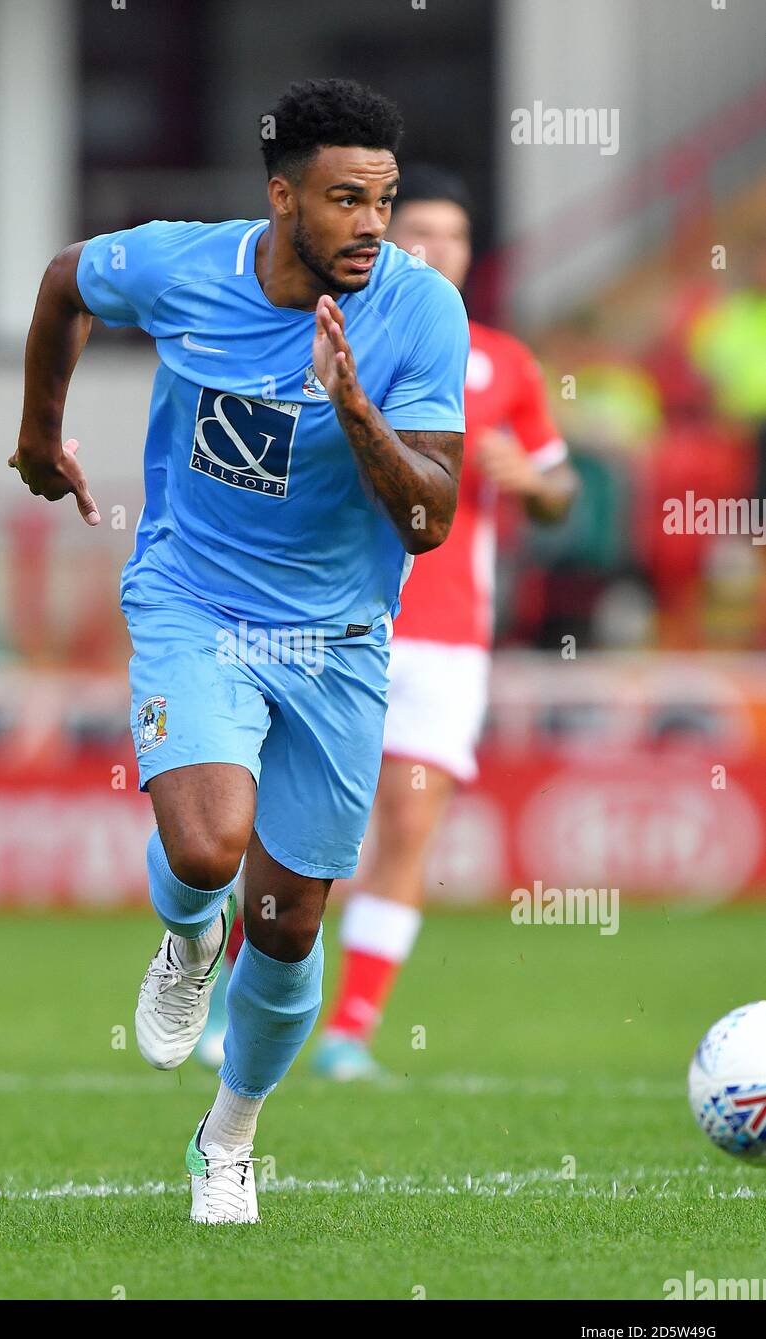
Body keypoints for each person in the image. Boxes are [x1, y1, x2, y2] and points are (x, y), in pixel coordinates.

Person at [8, 80, 468, 1222]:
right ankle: (182, 936)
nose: (373, 224)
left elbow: (430, 520)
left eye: (387, 199)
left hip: (340, 638)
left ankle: (230, 1134)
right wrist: (34, 432)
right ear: (283, 198)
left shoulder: (419, 314)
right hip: (194, 602)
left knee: (291, 921)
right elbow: (67, 278)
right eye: (347, 199)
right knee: (211, 850)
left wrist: (356, 409)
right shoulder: (182, 268)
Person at [311, 167, 578, 1077]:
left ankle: (350, 1030)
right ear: (383, 239)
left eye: (453, 236)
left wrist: (533, 481)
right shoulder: (338, 335)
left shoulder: (505, 362)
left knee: (409, 828)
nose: (435, 249)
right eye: (416, 230)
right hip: (337, 616)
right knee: (300, 829)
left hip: (449, 634)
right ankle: (245, 1004)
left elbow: (560, 490)